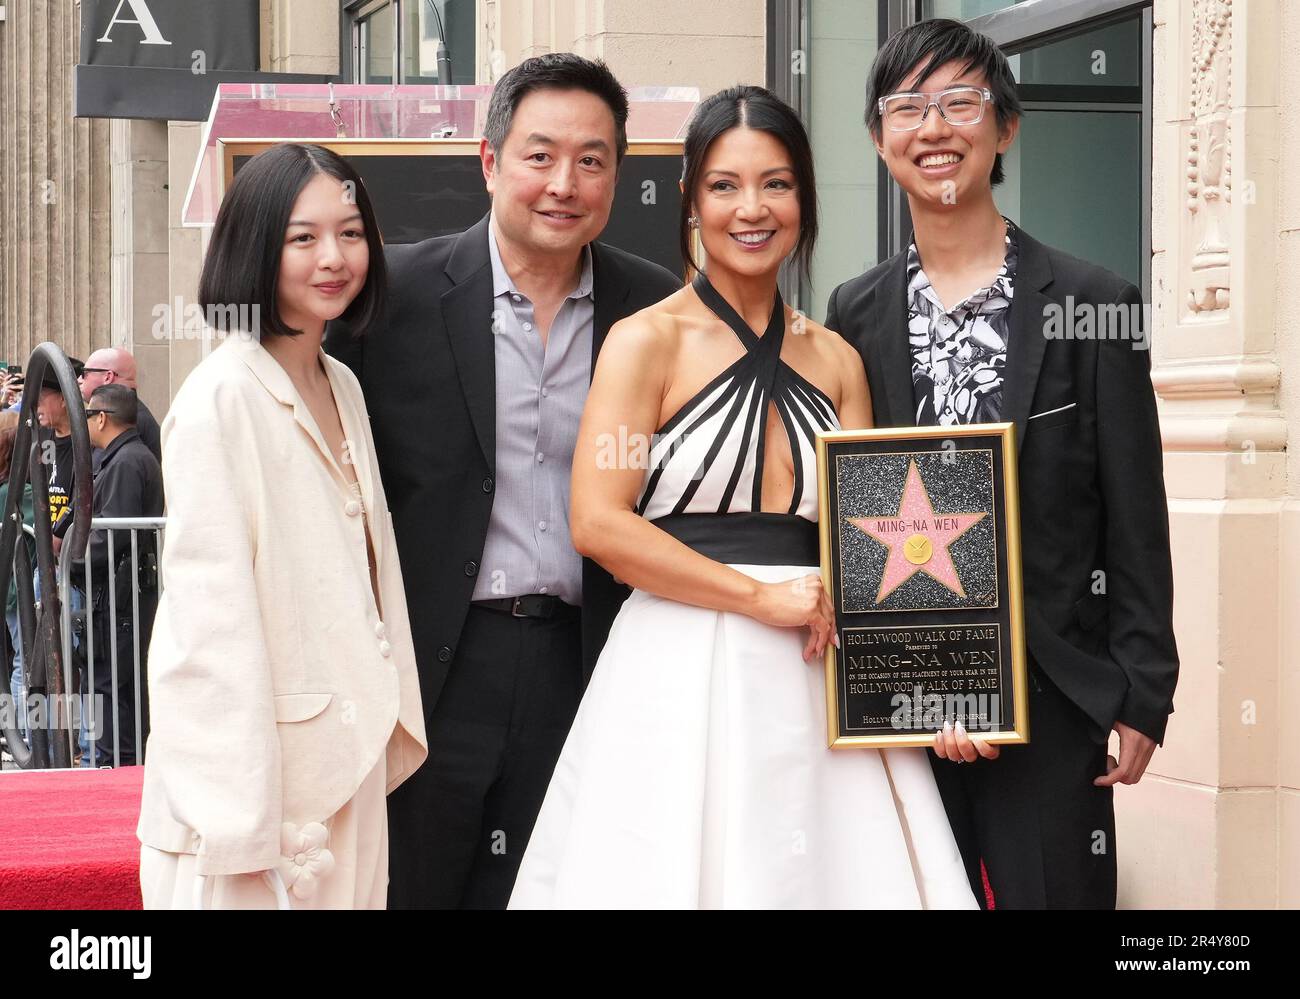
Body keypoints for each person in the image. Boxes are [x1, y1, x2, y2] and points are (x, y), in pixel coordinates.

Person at [508, 85, 976, 909]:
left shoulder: (836, 358)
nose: (751, 209)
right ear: (691, 199)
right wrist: (758, 596)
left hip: (818, 669)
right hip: (675, 664)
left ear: (804, 198)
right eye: (724, 185)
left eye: (777, 183)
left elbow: (877, 548)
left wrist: (943, 680)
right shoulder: (644, 341)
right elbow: (598, 523)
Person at [824, 19, 1179, 909]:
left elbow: (1136, 509)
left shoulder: (1096, 303)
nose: (933, 129)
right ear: (878, 138)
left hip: (1054, 692)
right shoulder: (853, 312)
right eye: (907, 108)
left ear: (1005, 127)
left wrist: (1144, 691)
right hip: (901, 701)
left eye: (960, 103)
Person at [326, 53, 681, 909]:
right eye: (539, 155)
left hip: (588, 660)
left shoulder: (658, 311)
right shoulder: (391, 296)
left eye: (592, 161)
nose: (565, 183)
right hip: (431, 672)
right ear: (490, 162)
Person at [136, 142, 427, 909]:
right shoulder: (219, 398)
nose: (334, 257)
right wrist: (237, 826)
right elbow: (206, 632)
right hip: (256, 805)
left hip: (348, 768)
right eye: (303, 237)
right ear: (255, 247)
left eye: (351, 231)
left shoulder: (345, 384)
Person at [74, 383, 164, 767]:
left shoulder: (127, 462)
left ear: (102, 418)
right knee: (114, 688)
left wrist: (70, 560)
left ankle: (119, 767)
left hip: (122, 598)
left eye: (89, 414)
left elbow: (111, 538)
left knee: (115, 689)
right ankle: (118, 762)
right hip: (119, 595)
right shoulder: (124, 458)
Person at [79, 348, 162, 465]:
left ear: (108, 377)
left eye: (84, 373)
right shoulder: (132, 414)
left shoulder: (127, 419)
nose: (79, 380)